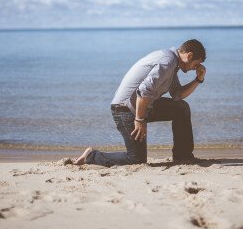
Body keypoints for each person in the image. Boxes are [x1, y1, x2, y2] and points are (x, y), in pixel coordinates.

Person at [74, 39, 206, 167]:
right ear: (189, 56)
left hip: (142, 106)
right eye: (195, 65)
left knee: (181, 108)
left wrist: (198, 80)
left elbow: (177, 94)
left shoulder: (173, 64)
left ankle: (183, 156)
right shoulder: (168, 61)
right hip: (125, 110)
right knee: (136, 159)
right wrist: (139, 119)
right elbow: (144, 90)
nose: (194, 68)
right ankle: (91, 156)